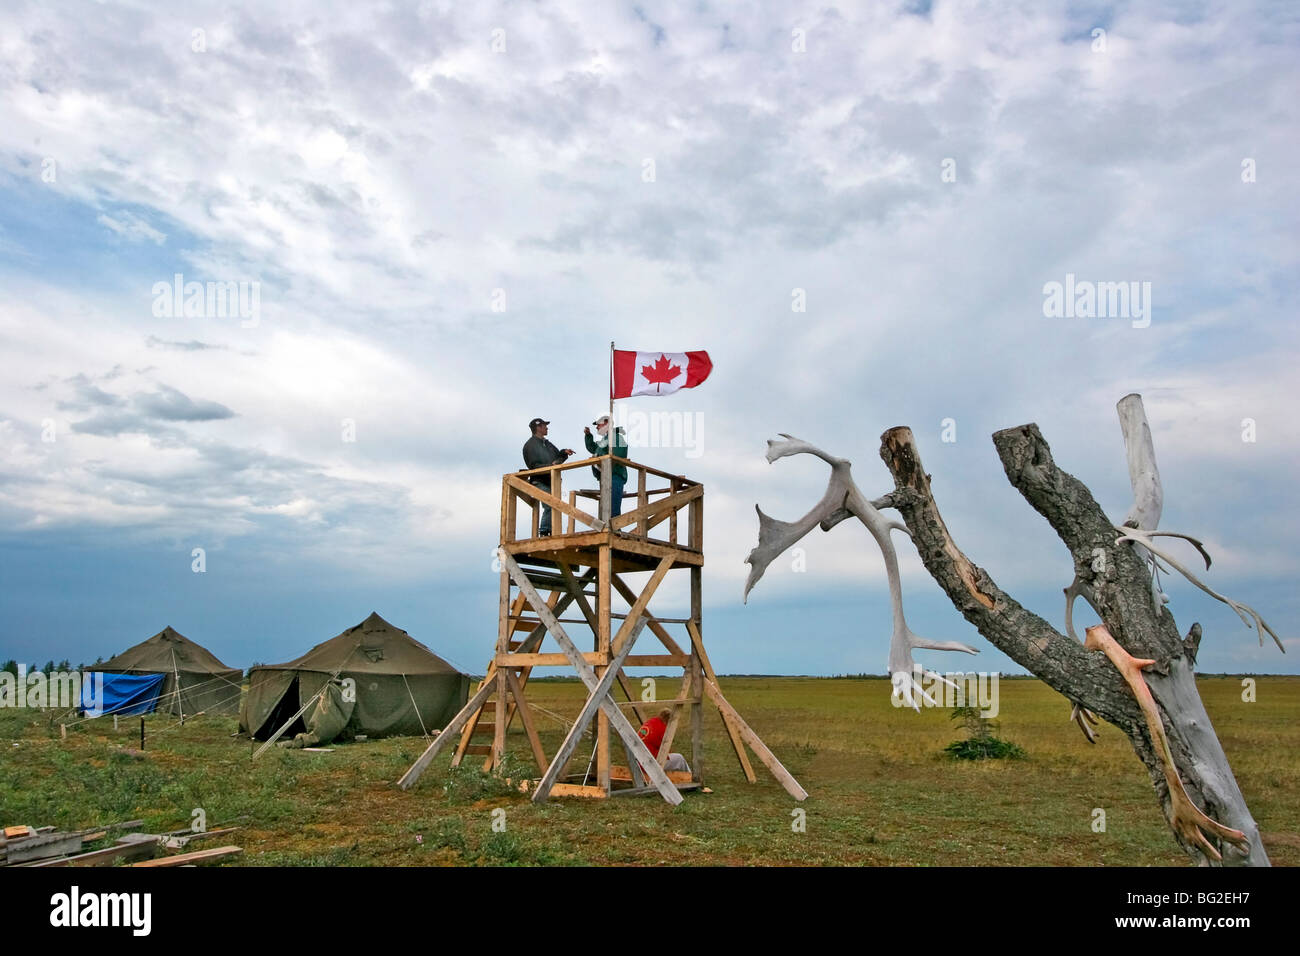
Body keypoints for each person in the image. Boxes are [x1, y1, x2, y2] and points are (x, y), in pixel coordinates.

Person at [522, 417, 573, 537]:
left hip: (551, 481)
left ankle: (551, 532)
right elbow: (534, 466)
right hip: (539, 481)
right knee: (550, 504)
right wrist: (550, 465)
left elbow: (557, 455)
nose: (547, 427)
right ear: (538, 428)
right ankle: (545, 533)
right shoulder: (530, 445)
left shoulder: (547, 443)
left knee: (555, 506)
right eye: (545, 425)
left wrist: (564, 452)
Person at [583, 414, 629, 519]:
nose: (597, 427)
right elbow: (594, 448)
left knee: (613, 510)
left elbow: (618, 456)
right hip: (606, 476)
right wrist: (588, 436)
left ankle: (615, 531)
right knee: (606, 510)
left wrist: (599, 459)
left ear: (607, 423)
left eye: (599, 424)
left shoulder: (616, 437)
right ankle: (611, 529)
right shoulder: (606, 438)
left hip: (615, 475)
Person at [638, 707, 691, 773]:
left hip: (638, 761)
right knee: (679, 758)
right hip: (648, 764)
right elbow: (665, 750)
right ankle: (690, 776)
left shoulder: (651, 722)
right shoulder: (663, 729)